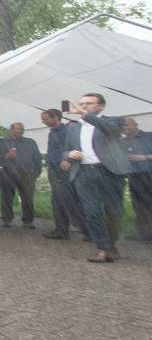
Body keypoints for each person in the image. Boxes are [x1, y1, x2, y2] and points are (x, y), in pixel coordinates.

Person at [65, 93, 131, 263]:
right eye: (82, 104)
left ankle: (111, 242)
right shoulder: (73, 127)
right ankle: (103, 248)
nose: (84, 106)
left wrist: (87, 115)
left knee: (114, 212)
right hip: (84, 173)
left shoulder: (114, 121)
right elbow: (63, 150)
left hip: (109, 172)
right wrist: (68, 154)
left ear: (101, 106)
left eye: (89, 103)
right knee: (92, 211)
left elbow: (109, 130)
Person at [41, 109, 86, 240]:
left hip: (63, 169)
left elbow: (74, 146)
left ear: (55, 117)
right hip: (54, 168)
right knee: (58, 199)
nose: (43, 121)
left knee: (65, 199)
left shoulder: (67, 130)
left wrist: (67, 159)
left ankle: (84, 230)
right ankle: (63, 229)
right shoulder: (52, 132)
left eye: (45, 118)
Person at [0, 122, 41, 229]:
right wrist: (7, 155)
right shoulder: (3, 142)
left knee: (27, 198)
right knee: (7, 197)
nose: (18, 131)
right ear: (11, 130)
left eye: (21, 129)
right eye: (16, 129)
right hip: (8, 173)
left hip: (26, 174)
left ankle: (28, 221)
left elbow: (37, 158)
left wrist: (35, 173)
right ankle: (7, 219)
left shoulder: (30, 142)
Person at [121, 117, 152, 242]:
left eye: (127, 125)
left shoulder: (149, 136)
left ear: (135, 124)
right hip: (134, 176)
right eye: (123, 127)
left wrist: (145, 157)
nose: (125, 128)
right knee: (139, 206)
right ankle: (143, 234)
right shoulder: (123, 141)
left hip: (150, 174)